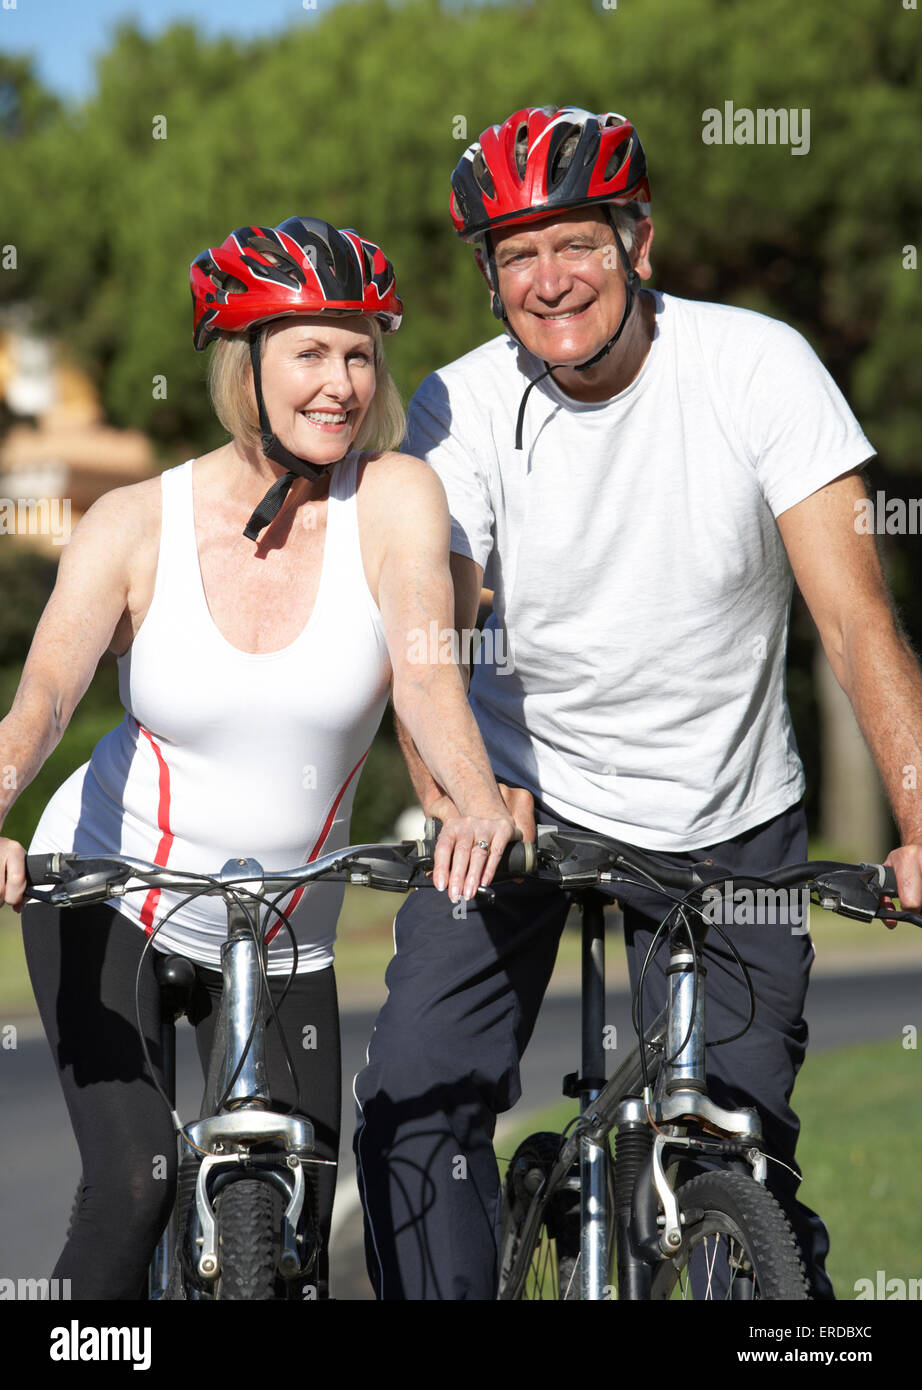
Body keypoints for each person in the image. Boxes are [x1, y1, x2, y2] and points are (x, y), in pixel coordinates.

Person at [353, 107, 922, 1300]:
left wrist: (919, 820)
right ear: (489, 276)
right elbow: (430, 642)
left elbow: (857, 619)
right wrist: (460, 791)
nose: (548, 280)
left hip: (730, 815)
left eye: (577, 243)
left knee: (741, 1154)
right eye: (516, 255)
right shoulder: (456, 410)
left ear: (639, 243)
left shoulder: (757, 366)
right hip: (518, 804)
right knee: (416, 1108)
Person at [0, 215, 515, 1299]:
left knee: (287, 1223)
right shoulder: (134, 521)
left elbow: (426, 671)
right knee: (134, 1183)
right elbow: (43, 699)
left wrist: (473, 803)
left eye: (360, 352)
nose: (342, 383)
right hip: (114, 892)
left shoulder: (396, 499)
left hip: (287, 930)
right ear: (245, 365)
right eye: (310, 352)